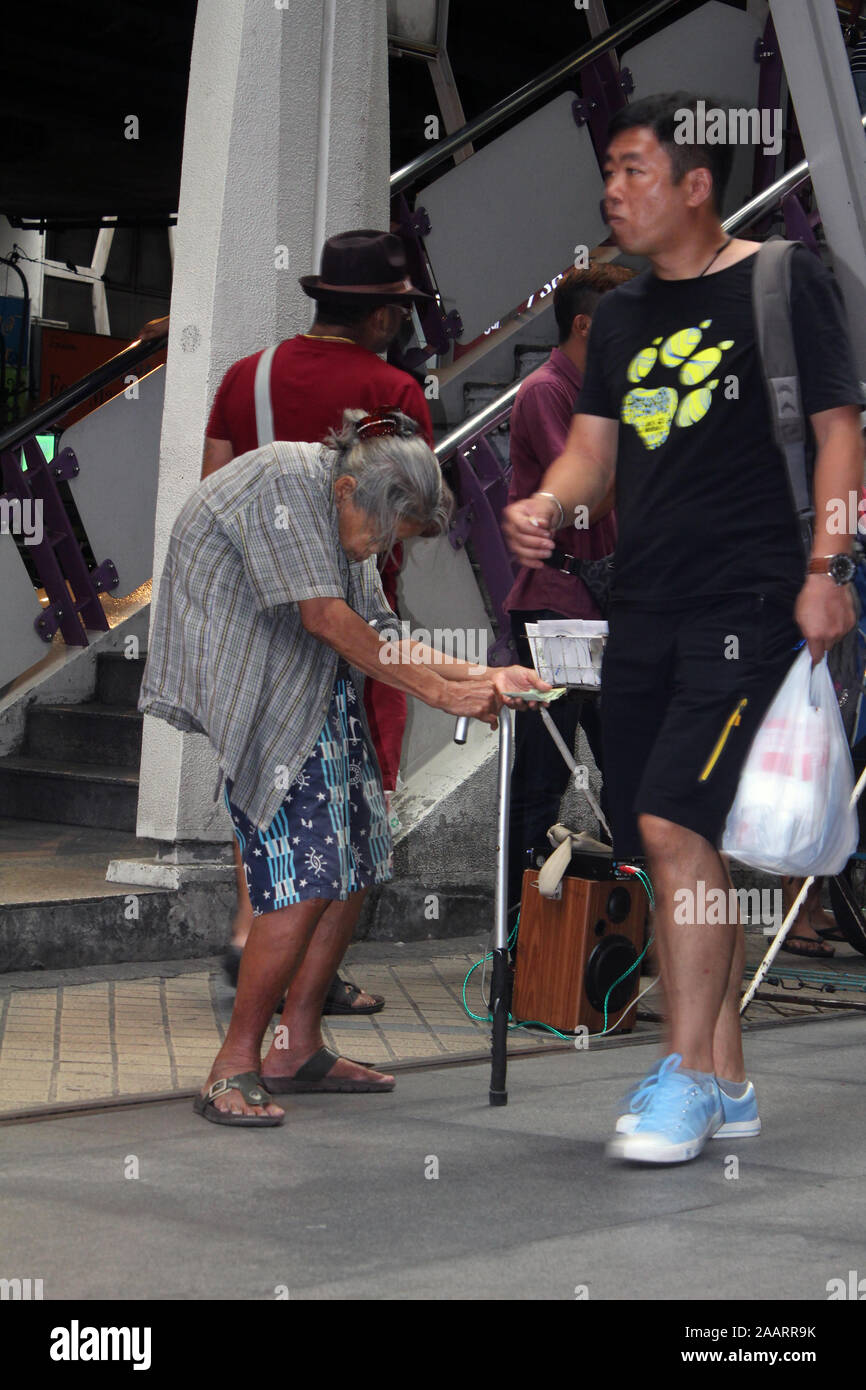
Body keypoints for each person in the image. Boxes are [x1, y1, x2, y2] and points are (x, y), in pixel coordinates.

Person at [503, 91, 863, 1165]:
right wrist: (550, 505)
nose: (611, 194)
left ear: (694, 183)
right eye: (605, 176)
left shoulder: (781, 279)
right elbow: (593, 454)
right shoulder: (616, 317)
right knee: (669, 844)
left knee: (666, 823)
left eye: (630, 172)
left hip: (749, 598)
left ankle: (691, 1076)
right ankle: (733, 1080)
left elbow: (843, 437)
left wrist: (826, 569)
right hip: (642, 605)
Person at [139, 408, 550, 1124]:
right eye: (385, 532)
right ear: (349, 492)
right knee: (303, 878)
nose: (382, 549)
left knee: (356, 860)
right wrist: (445, 691)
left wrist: (484, 677)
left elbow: (382, 634)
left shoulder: (345, 506)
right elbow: (326, 621)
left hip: (310, 682)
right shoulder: (284, 482)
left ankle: (296, 1045)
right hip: (262, 688)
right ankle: (232, 1063)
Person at [203, 230, 435, 1017]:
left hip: (259, 624)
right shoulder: (395, 391)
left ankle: (249, 936)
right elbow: (409, 514)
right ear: (379, 316)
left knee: (262, 782)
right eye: (400, 310)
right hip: (350, 623)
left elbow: (216, 491)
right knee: (353, 794)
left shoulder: (246, 377)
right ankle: (307, 976)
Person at [504, 263, 632, 924]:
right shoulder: (547, 392)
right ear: (586, 325)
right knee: (540, 780)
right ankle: (521, 939)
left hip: (610, 609)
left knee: (631, 769)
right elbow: (579, 499)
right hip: (555, 607)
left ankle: (628, 926)